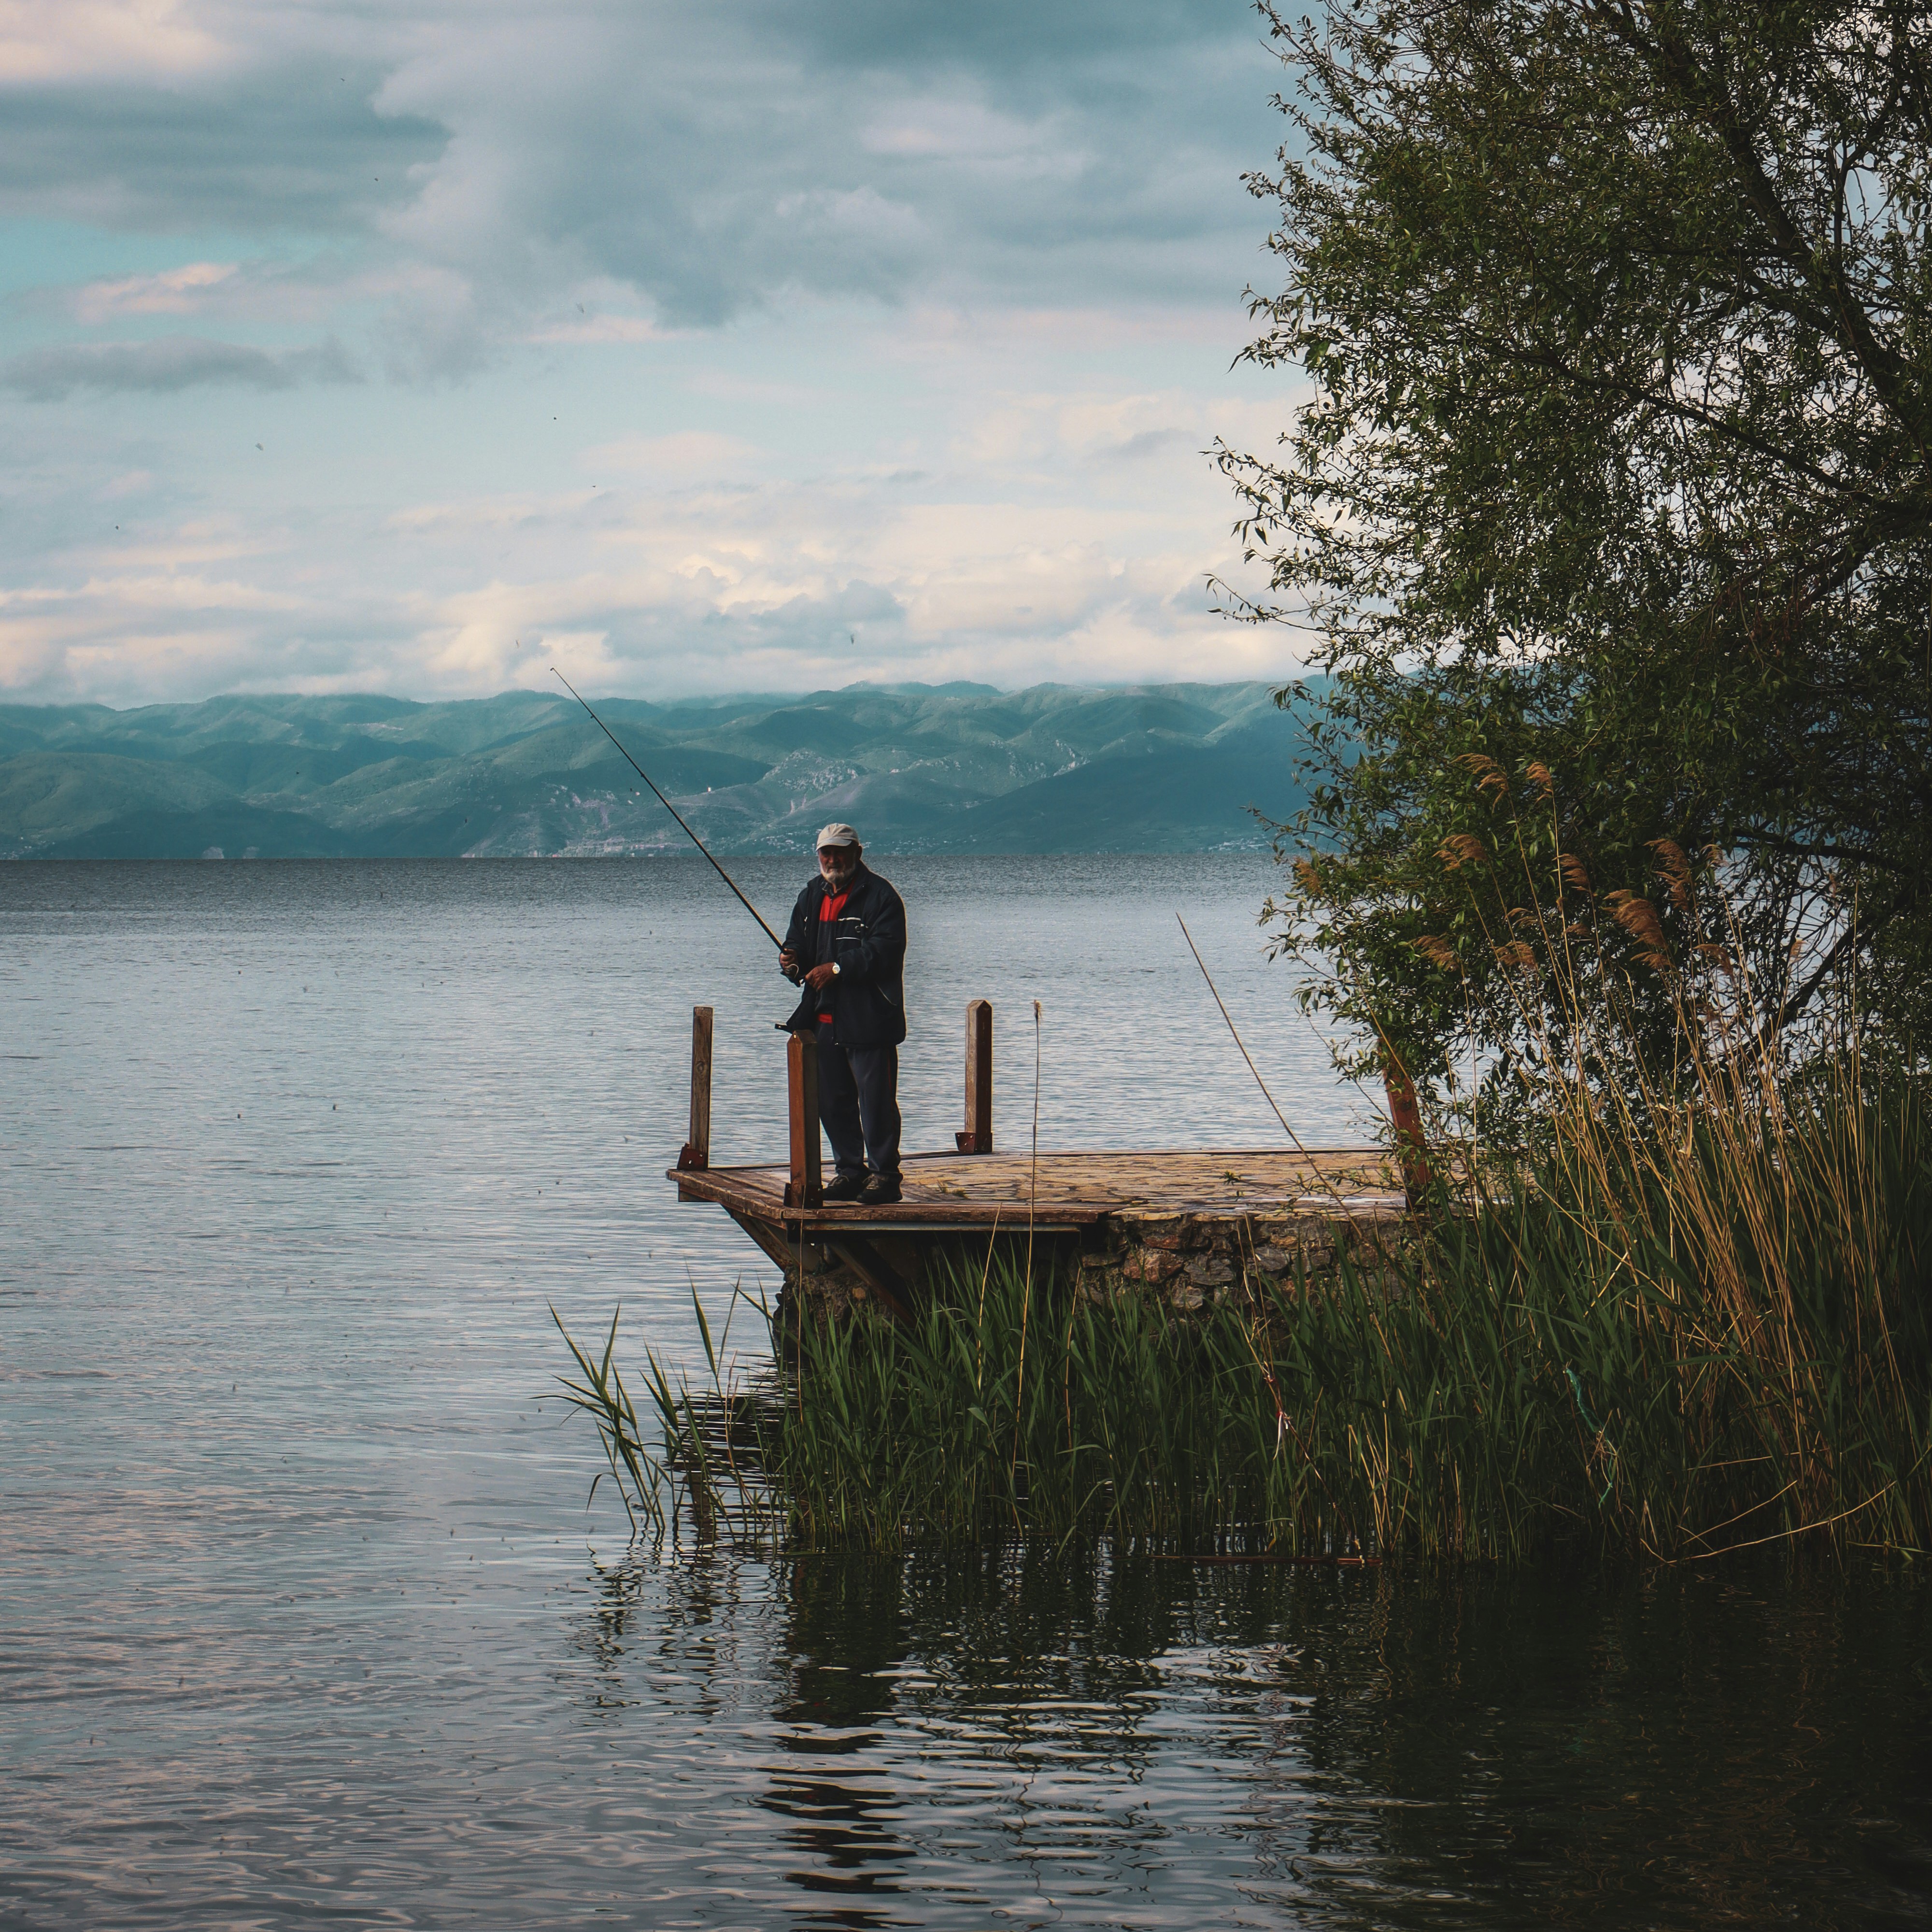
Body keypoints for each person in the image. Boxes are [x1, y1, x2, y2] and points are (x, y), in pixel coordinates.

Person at [778, 823, 907, 1205]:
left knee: (876, 1103)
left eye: (841, 852)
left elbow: (885, 952)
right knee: (832, 1104)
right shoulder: (811, 895)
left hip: (869, 1020)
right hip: (823, 1020)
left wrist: (834, 969)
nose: (833, 859)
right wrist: (791, 960)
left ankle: (886, 1176)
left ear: (858, 854)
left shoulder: (881, 897)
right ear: (818, 855)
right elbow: (797, 942)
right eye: (826, 853)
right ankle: (850, 1171)